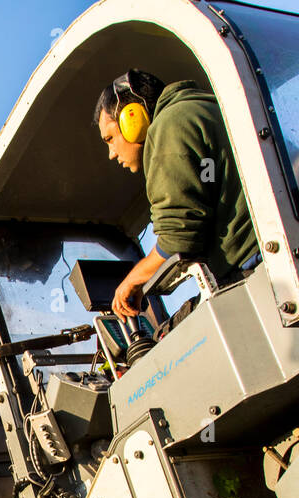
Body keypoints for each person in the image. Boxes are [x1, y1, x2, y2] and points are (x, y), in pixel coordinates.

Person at [93, 70, 259, 329]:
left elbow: (179, 239)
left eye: (110, 139)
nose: (111, 154)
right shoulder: (208, 107)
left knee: (166, 341)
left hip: (249, 272)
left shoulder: (168, 127)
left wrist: (133, 280)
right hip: (267, 256)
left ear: (132, 119)